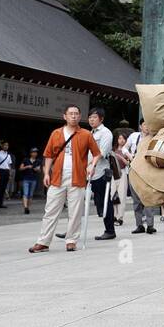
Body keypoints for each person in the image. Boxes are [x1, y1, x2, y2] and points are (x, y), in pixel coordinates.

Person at [30, 104, 100, 253]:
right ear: (65, 116)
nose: (73, 116)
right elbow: (48, 155)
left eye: (76, 113)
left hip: (78, 177)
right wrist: (46, 173)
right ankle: (43, 242)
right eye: (71, 113)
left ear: (80, 117)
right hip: (57, 177)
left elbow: (97, 153)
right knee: (50, 210)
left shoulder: (86, 134)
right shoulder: (56, 133)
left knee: (75, 212)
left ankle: (71, 240)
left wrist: (91, 165)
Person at [87, 107, 116, 240]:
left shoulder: (106, 133)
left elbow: (102, 153)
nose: (92, 120)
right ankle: (72, 229)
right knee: (77, 200)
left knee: (104, 201)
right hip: (87, 172)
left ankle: (110, 230)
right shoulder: (90, 133)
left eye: (94, 117)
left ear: (101, 119)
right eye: (90, 117)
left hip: (100, 173)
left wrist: (91, 165)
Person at [18, 148, 42, 214]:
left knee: (31, 195)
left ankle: (27, 207)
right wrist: (27, 167)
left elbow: (39, 170)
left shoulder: (38, 161)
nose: (34, 154)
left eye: (36, 152)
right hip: (26, 179)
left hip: (33, 179)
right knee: (25, 194)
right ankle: (25, 207)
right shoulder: (26, 160)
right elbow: (20, 168)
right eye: (33, 152)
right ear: (30, 153)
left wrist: (37, 169)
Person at [0, 141, 12, 209]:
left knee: (3, 188)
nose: (6, 146)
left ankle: (1, 203)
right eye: (4, 145)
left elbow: (9, 165)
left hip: (6, 171)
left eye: (7, 145)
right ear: (2, 146)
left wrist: (10, 174)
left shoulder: (8, 155)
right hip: (0, 171)